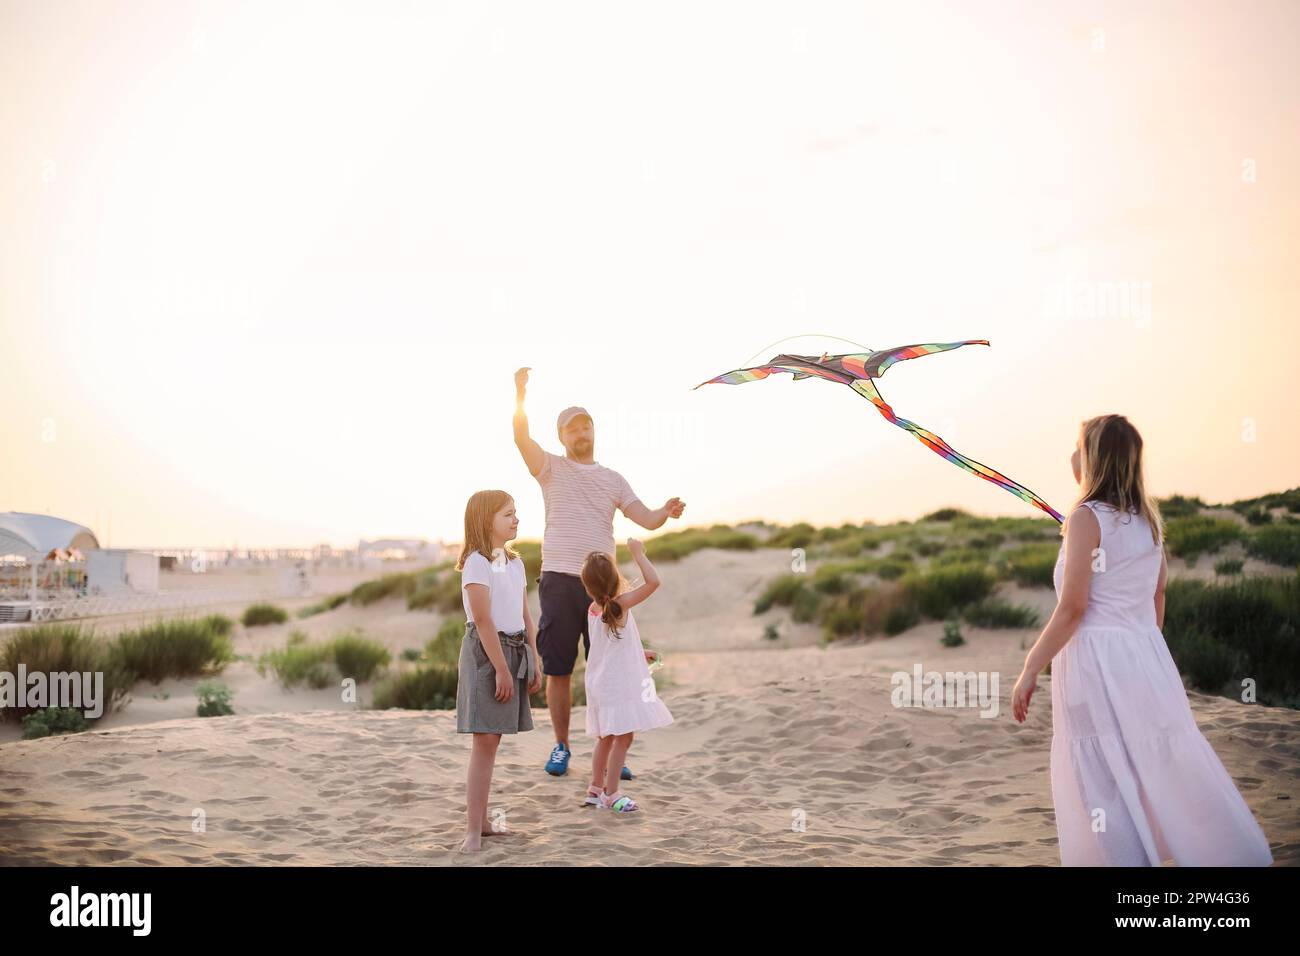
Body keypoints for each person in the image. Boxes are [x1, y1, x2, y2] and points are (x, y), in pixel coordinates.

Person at [1012, 414, 1273, 866]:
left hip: (1096, 661)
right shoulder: (1147, 519)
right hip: (1144, 653)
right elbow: (1157, 593)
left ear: (1093, 458)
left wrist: (1031, 667)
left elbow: (1073, 607)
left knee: (1103, 780)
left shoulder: (1084, 517)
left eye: (1078, 445)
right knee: (1152, 761)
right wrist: (1141, 648)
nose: (1071, 455)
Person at [512, 366, 685, 778]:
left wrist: (664, 511)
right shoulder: (550, 467)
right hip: (557, 577)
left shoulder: (613, 479)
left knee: (609, 668)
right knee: (557, 669)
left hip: (602, 589)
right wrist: (520, 396)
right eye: (572, 429)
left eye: (586, 426)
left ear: (594, 431)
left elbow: (644, 518)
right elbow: (521, 438)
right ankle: (561, 746)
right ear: (562, 436)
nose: (581, 433)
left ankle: (609, 753)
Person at [455, 490, 542, 853]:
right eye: (508, 514)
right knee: (485, 742)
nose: (516, 519)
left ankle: (485, 821)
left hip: (515, 648)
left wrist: (533, 657)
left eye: (516, 513)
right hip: (486, 654)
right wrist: (502, 670)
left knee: (495, 740)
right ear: (485, 519)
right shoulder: (477, 562)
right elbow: (484, 620)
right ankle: (473, 831)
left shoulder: (516, 563)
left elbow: (524, 616)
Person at [579, 540, 673, 812]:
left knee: (606, 737)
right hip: (617, 685)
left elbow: (610, 645)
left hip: (600, 683)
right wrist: (638, 554)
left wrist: (638, 650)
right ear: (615, 578)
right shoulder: (619, 604)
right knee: (624, 737)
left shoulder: (595, 608)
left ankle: (595, 790)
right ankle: (612, 793)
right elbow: (653, 582)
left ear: (588, 587)